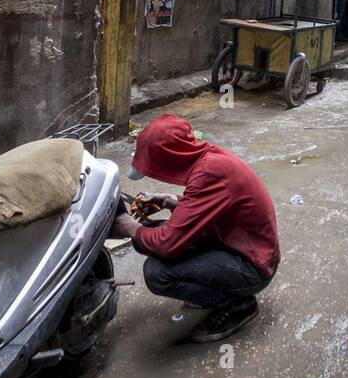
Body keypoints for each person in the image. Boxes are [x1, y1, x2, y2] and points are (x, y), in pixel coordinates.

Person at [112, 114, 280, 342]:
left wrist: (128, 225)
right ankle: (213, 291)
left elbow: (166, 244)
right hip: (230, 242)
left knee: (157, 273)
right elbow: (210, 205)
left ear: (169, 160)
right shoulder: (209, 158)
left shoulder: (210, 172)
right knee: (144, 236)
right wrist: (171, 200)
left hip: (252, 264)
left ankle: (239, 304)